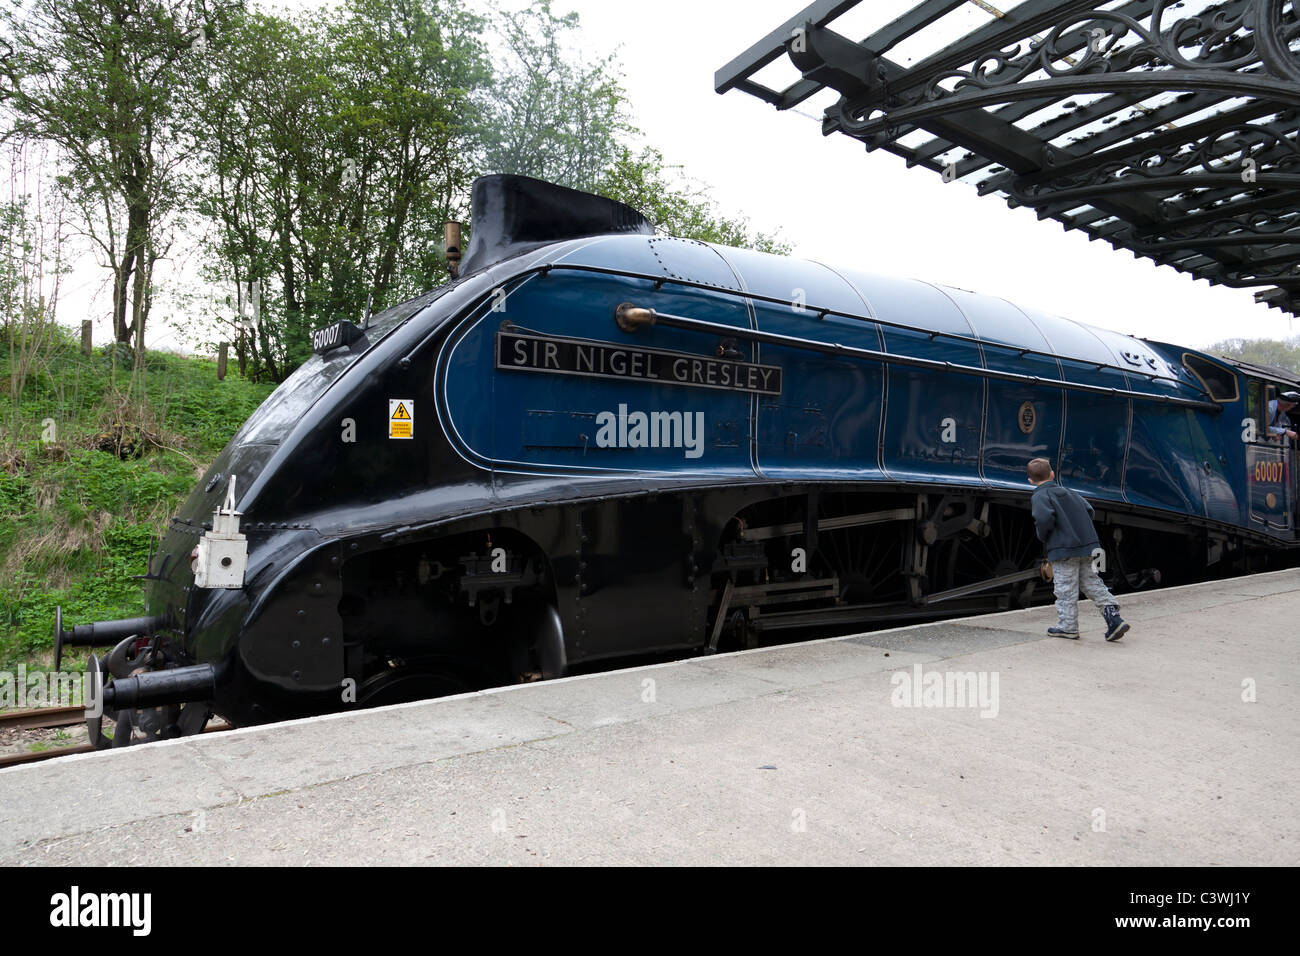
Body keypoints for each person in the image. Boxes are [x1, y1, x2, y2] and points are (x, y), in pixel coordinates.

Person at [1027, 458, 1129, 641]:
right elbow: (1089, 511)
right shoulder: (1070, 492)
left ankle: (1068, 627)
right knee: (1092, 582)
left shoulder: (1040, 496)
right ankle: (1113, 617)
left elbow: (1043, 520)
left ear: (1030, 481)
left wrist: (1044, 537)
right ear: (1052, 475)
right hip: (1088, 547)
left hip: (1064, 549)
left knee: (1065, 589)